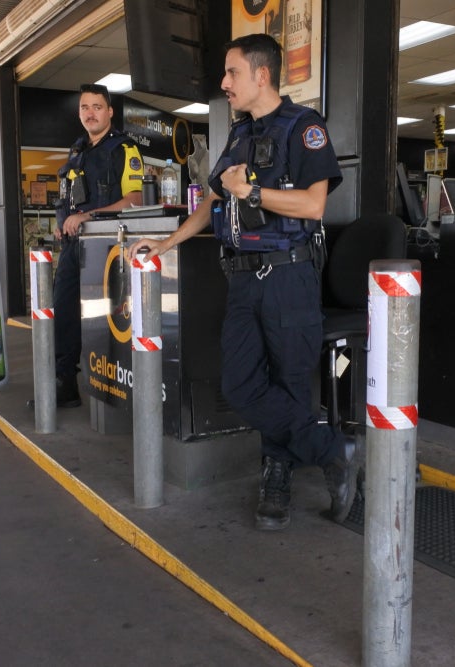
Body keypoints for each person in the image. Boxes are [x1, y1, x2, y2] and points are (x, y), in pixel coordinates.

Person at [126, 33, 356, 531]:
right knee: (241, 384)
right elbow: (211, 202)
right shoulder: (238, 135)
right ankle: (333, 451)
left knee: (290, 384)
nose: (223, 83)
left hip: (289, 275)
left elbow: (314, 206)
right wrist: (167, 244)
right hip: (243, 281)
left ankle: (276, 476)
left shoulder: (305, 127)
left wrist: (252, 189)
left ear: (262, 75)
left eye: (231, 73)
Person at [52, 83, 144, 407]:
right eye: (84, 108)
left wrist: (87, 216)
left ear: (109, 112)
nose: (90, 113)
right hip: (73, 246)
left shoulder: (124, 149)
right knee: (64, 314)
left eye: (96, 107)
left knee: (104, 320)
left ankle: (109, 390)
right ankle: (65, 385)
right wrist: (62, 220)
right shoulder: (76, 151)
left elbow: (135, 199)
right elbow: (68, 197)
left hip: (105, 248)